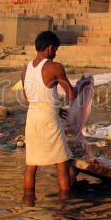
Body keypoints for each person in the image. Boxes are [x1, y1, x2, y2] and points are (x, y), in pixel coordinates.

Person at [22, 30, 77, 202]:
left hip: (32, 119)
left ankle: (28, 202)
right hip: (48, 121)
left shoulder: (25, 69)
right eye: (55, 49)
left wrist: (56, 108)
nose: (55, 53)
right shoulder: (54, 67)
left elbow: (28, 100)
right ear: (50, 47)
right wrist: (83, 86)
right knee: (61, 164)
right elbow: (71, 95)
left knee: (31, 166)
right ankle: (64, 206)